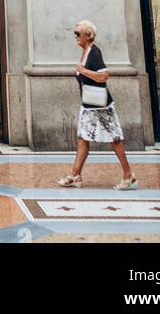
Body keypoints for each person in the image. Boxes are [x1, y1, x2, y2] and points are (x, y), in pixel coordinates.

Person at [58, 20, 137, 190]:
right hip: (89, 104)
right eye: (75, 33)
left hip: (100, 106)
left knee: (114, 140)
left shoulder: (94, 52)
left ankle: (128, 174)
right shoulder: (86, 51)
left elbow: (104, 76)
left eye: (78, 33)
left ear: (88, 35)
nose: (76, 36)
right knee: (83, 138)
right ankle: (75, 175)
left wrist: (84, 70)